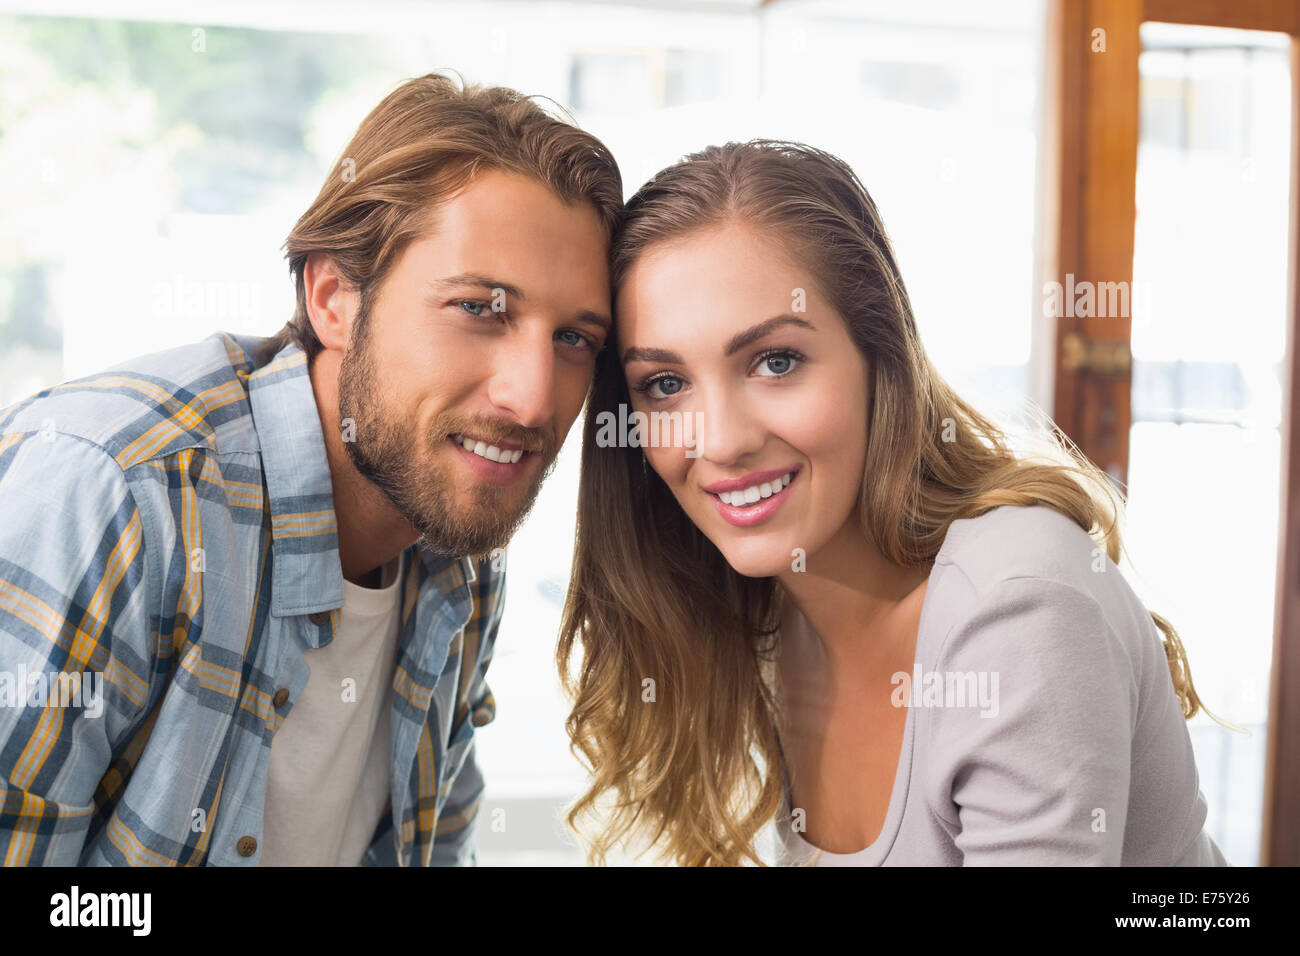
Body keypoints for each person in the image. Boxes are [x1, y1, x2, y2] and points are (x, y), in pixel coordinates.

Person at [0, 73, 621, 866]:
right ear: (333, 297)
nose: (534, 399)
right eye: (480, 308)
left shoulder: (459, 558)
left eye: (575, 340)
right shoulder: (116, 499)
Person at [557, 139, 1232, 867]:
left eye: (776, 362)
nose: (720, 442)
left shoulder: (1016, 604)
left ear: (880, 358)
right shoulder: (768, 612)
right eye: (665, 384)